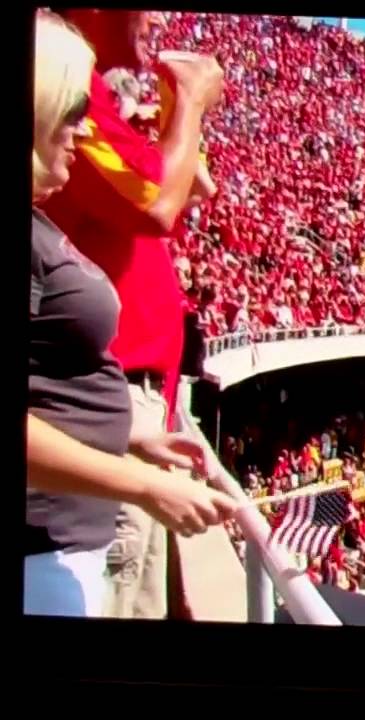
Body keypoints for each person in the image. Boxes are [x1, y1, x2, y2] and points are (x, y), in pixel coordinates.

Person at [27, 11, 237, 618]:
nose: (163, 17)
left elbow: (190, 185)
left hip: (121, 427)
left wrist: (130, 435)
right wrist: (192, 102)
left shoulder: (91, 98)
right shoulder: (78, 85)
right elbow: (158, 202)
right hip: (72, 505)